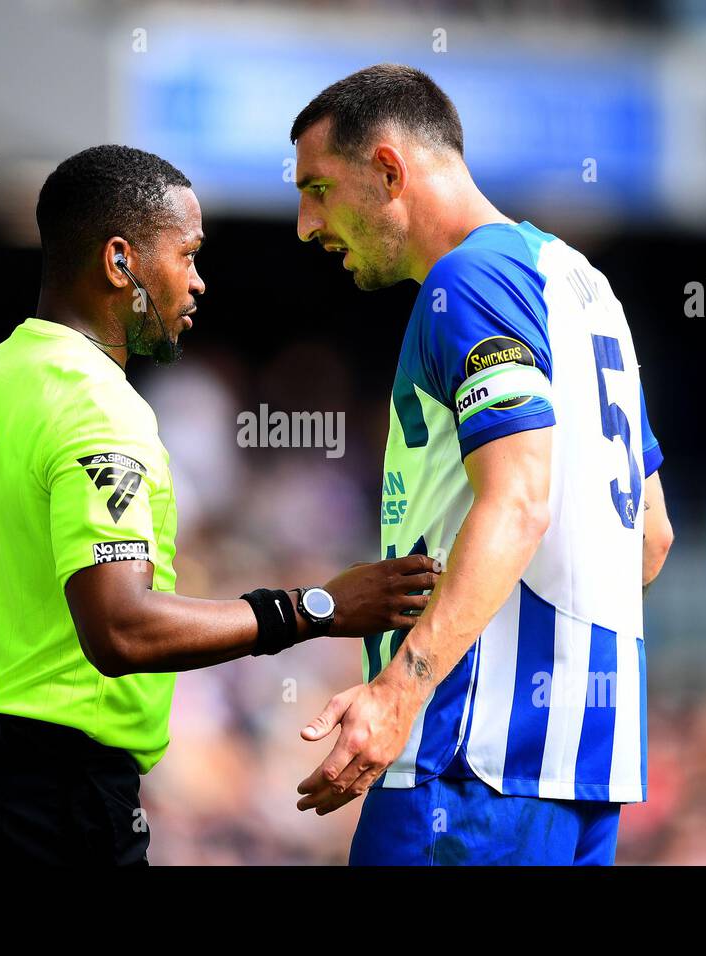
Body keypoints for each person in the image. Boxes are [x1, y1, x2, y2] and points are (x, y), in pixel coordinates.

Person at [0, 144, 437, 866]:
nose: (200, 283)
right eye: (187, 256)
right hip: (50, 794)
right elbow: (119, 628)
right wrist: (315, 609)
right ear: (121, 262)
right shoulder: (97, 407)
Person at [288, 65, 675, 865]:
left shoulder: (467, 281)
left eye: (318, 189)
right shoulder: (585, 285)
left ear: (389, 170)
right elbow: (650, 536)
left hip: (467, 766)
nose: (303, 224)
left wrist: (402, 689)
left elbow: (520, 498)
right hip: (586, 770)